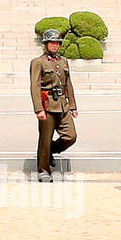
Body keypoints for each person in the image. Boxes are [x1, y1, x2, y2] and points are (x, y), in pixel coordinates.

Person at [30, 29, 78, 179]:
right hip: (47, 105)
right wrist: (39, 109)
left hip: (63, 104)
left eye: (57, 43)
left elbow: (68, 84)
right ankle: (43, 170)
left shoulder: (63, 61)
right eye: (52, 43)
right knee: (45, 137)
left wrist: (73, 105)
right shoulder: (38, 62)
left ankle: (50, 150)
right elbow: (35, 86)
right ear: (45, 44)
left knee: (71, 136)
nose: (55, 46)